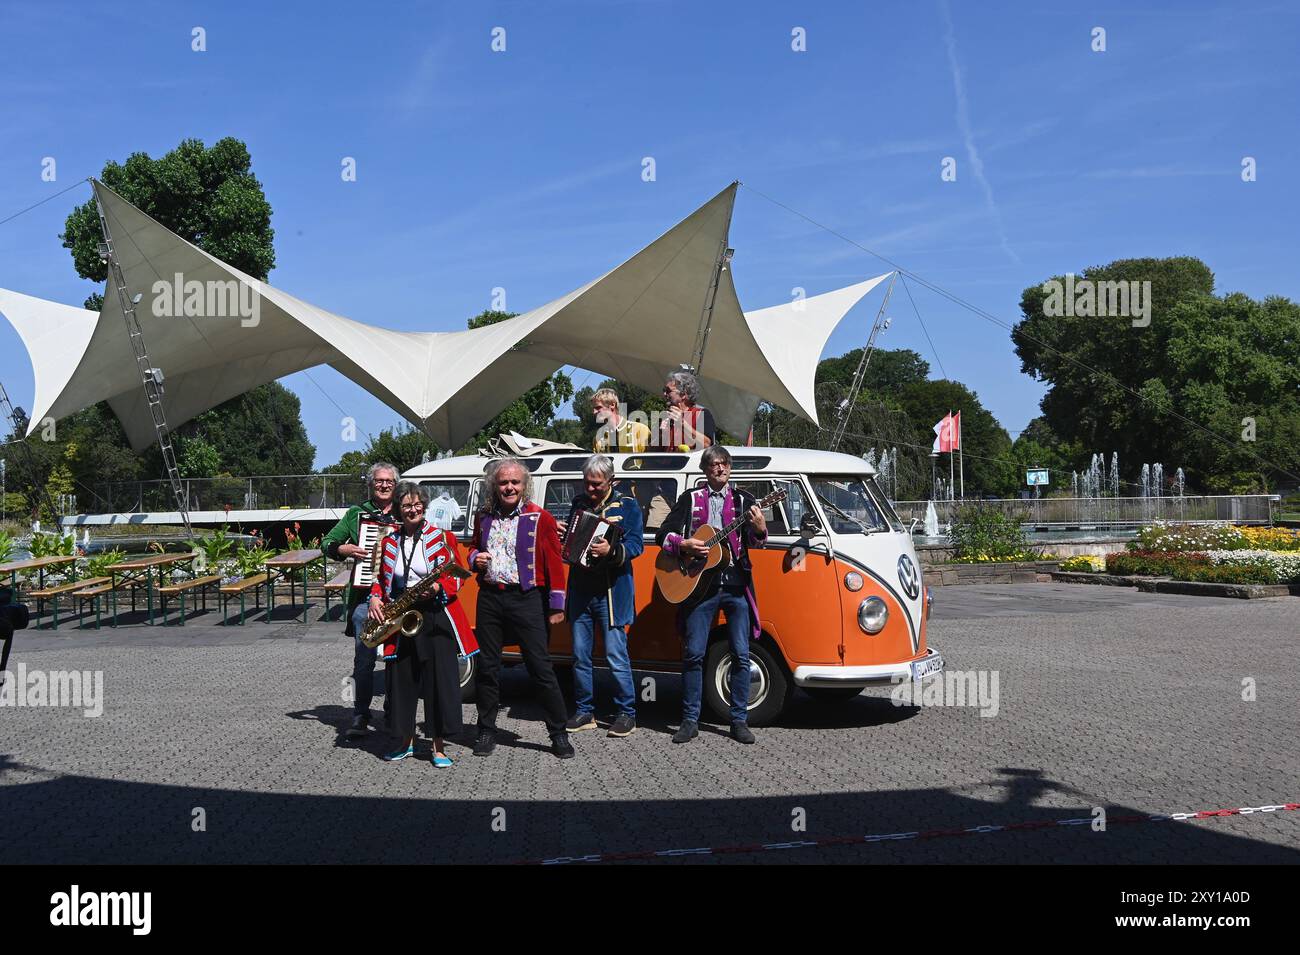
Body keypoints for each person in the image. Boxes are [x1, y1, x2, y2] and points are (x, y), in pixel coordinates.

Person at [655, 445, 767, 745]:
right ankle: (690, 721)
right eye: (714, 464)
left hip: (735, 587)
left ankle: (739, 721)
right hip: (699, 588)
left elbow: (756, 544)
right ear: (706, 470)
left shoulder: (745, 500)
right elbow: (661, 535)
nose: (720, 468)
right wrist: (685, 545)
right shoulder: (690, 499)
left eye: (725, 464)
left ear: (730, 468)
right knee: (694, 655)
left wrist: (759, 529)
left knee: (742, 655)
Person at [467, 457, 575, 759]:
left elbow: (555, 562)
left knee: (541, 668)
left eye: (515, 482)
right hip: (490, 597)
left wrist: (556, 604)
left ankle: (558, 733)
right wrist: (474, 557)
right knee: (488, 668)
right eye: (504, 482)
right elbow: (474, 547)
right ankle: (486, 729)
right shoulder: (484, 516)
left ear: (524, 486)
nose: (509, 487)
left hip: (527, 599)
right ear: (494, 486)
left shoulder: (540, 518)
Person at [368, 482, 477, 768]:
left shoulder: (443, 537)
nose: (413, 509)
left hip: (435, 614)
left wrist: (439, 588)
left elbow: (458, 576)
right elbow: (379, 580)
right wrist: (376, 600)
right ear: (398, 510)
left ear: (424, 506)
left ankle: (438, 748)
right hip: (402, 614)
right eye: (406, 506)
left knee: (437, 682)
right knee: (401, 682)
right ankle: (404, 742)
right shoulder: (388, 542)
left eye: (417, 504)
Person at [562, 454, 644, 737]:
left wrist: (612, 552)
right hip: (581, 591)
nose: (591, 489)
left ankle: (627, 713)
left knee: (615, 655)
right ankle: (585, 711)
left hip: (612, 592)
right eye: (587, 483)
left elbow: (636, 545)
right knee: (580, 655)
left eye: (596, 484)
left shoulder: (628, 505)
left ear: (610, 480)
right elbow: (571, 543)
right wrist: (565, 537)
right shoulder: (578, 503)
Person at [322, 461, 400, 738]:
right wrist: (345, 548)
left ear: (395, 484)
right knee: (363, 660)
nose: (384, 485)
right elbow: (327, 543)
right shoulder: (357, 514)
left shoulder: (406, 512)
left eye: (388, 481)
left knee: (397, 659)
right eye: (379, 481)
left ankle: (395, 711)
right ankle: (360, 713)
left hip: (398, 598)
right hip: (366, 597)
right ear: (371, 484)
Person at [654, 370, 716, 452]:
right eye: (664, 390)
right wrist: (661, 434)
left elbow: (706, 444)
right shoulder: (665, 416)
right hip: (666, 464)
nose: (665, 394)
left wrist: (682, 423)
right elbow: (652, 450)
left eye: (668, 391)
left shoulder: (702, 414)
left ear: (683, 394)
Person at [591, 387, 651, 454]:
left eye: (598, 407)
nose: (594, 412)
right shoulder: (598, 437)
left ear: (612, 405)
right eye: (593, 408)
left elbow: (651, 461)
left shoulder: (640, 430)